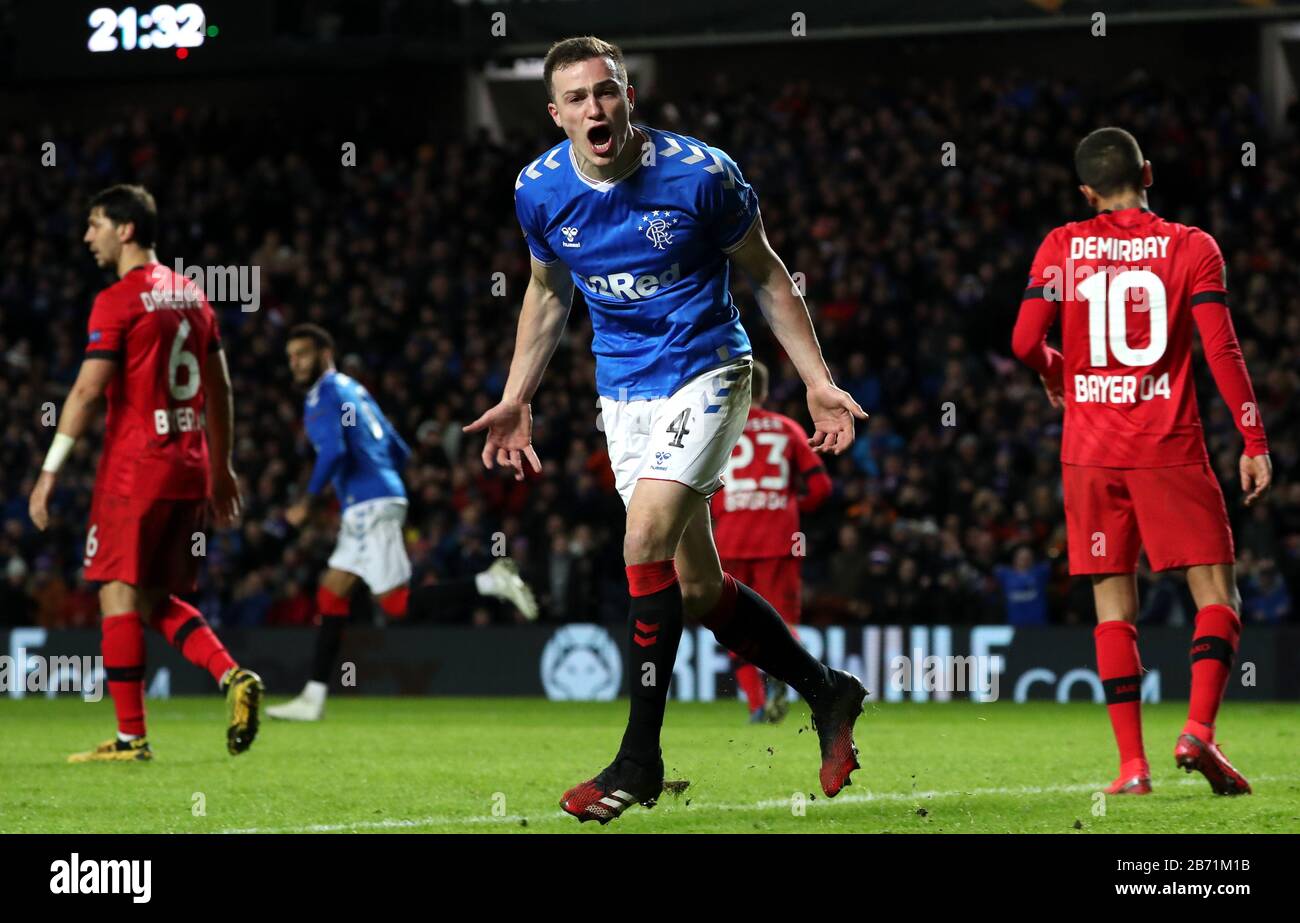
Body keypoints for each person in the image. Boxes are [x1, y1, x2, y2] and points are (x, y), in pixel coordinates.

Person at [466, 36, 869, 824]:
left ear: (628, 98)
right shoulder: (539, 190)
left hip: (710, 367)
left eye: (607, 91)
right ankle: (829, 691)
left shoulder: (701, 175)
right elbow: (548, 294)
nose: (595, 107)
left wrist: (818, 382)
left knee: (642, 540)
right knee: (697, 588)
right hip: (624, 395)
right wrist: (517, 394)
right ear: (556, 115)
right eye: (578, 98)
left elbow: (767, 274)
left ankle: (638, 761)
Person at [1012, 127, 1272, 795]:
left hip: (1090, 455)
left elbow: (1022, 341)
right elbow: (1223, 352)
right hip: (1169, 448)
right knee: (1217, 594)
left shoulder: (1061, 245)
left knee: (1112, 607)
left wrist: (1054, 371)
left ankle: (1133, 767)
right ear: (1149, 172)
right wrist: (1253, 439)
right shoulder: (1192, 247)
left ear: (1086, 190)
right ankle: (1199, 731)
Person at [28, 184, 262, 762]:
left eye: (95, 223)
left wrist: (49, 471)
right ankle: (232, 676)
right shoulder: (195, 296)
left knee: (116, 592)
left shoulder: (118, 299)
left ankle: (132, 738)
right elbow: (221, 387)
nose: (88, 236)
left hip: (136, 468)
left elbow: (86, 391)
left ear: (126, 229)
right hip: (189, 466)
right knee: (155, 597)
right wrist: (224, 465)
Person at [270, 325, 536, 721]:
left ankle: (491, 581)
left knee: (395, 603)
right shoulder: (356, 390)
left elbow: (333, 453)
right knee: (331, 595)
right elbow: (398, 446)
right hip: (375, 499)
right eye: (290, 356)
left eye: (303, 354)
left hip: (368, 504)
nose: (295, 363)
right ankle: (313, 696)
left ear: (326, 354)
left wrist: (306, 504)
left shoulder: (323, 395)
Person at [710, 360, 832, 722]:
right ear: (764, 391)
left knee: (732, 622)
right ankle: (785, 675)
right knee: (780, 619)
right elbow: (822, 488)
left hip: (730, 539)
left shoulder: (719, 430)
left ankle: (756, 704)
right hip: (781, 538)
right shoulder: (787, 429)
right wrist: (789, 503)